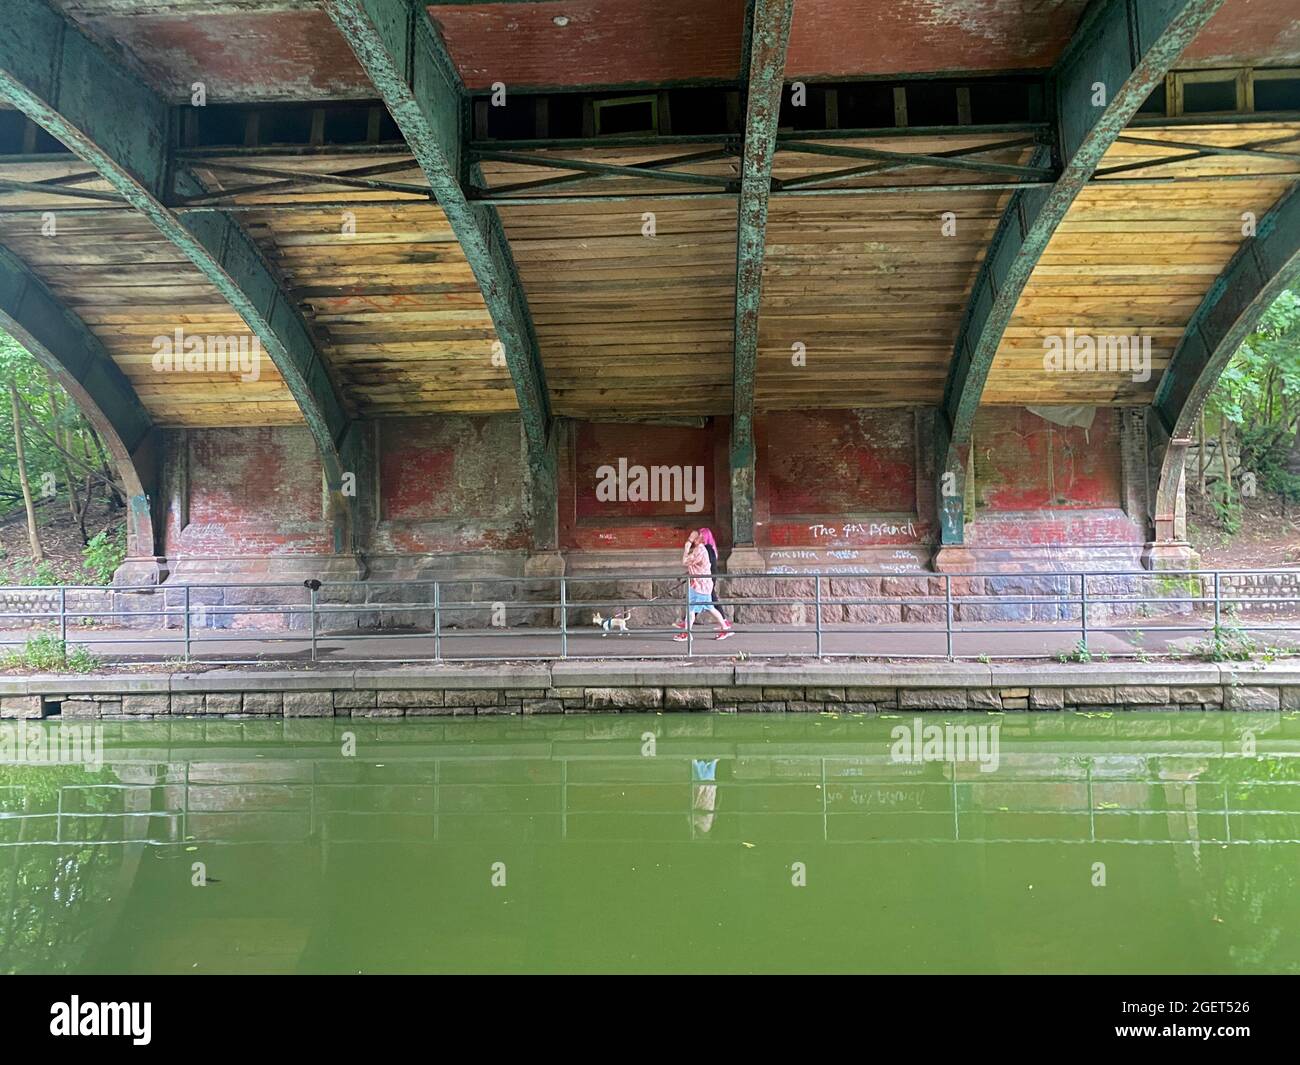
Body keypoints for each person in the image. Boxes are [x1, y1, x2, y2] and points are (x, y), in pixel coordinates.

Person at [675, 529, 733, 641]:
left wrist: (687, 546)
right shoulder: (702, 549)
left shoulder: (700, 551)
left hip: (699, 585)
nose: (691, 540)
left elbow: (685, 561)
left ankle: (687, 634)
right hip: (703, 584)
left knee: (691, 609)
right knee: (710, 607)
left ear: (698, 540)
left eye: (693, 538)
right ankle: (725, 628)